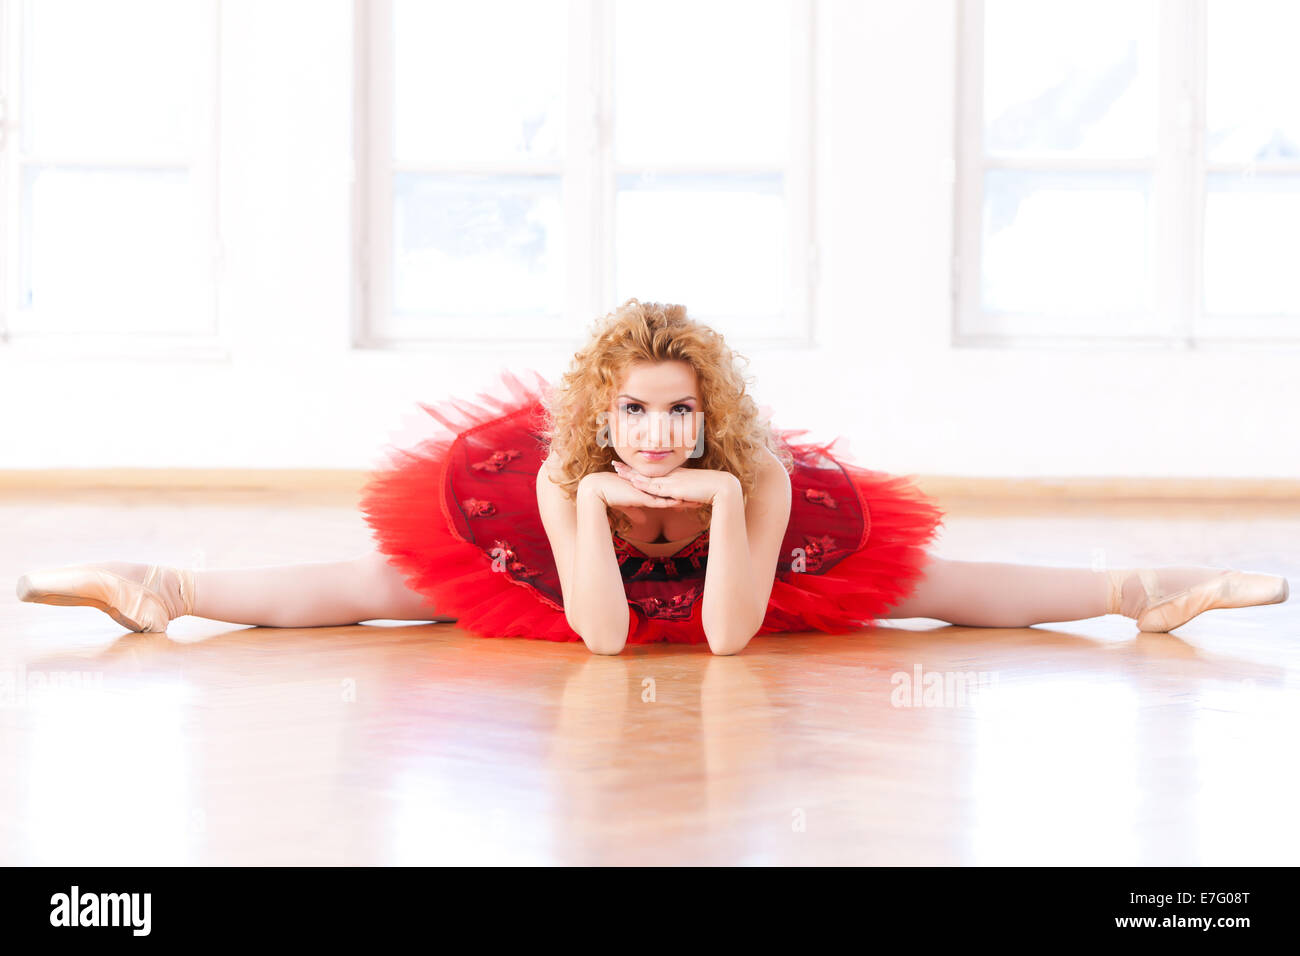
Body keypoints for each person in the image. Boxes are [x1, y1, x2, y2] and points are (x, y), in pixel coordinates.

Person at [16, 299, 1289, 655]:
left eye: (678, 410)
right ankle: (161, 582)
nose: (657, 431)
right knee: (378, 586)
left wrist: (728, 502)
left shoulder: (758, 476)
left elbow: (729, 639)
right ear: (603, 414)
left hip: (728, 564)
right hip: (594, 574)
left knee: (937, 586)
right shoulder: (571, 475)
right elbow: (609, 642)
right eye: (634, 408)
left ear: (709, 415)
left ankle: (1143, 584)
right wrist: (598, 506)